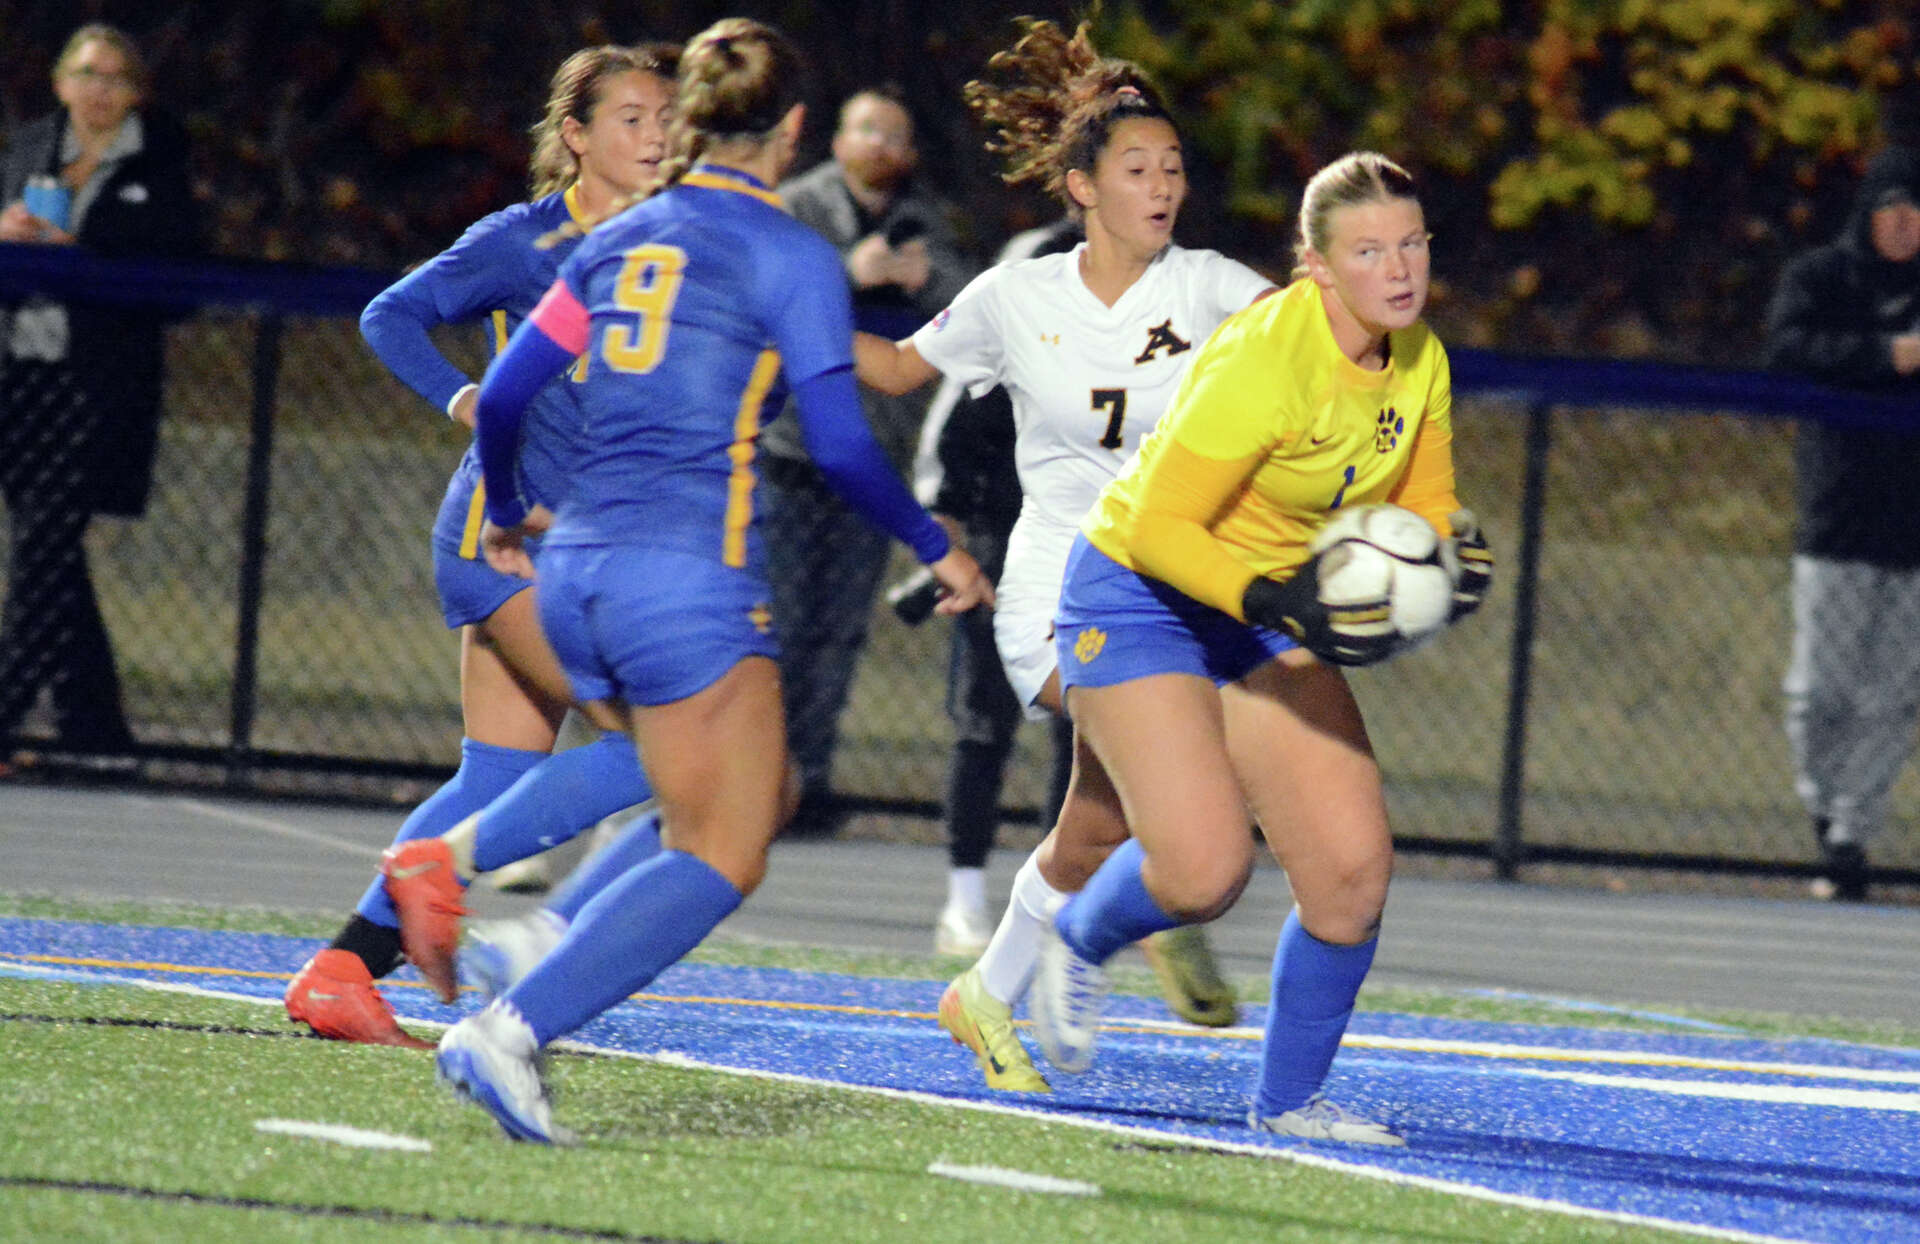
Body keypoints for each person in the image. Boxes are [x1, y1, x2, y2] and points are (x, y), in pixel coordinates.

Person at [431, 18, 991, 1144]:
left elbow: (498, 398)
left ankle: (518, 924)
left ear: (691, 119)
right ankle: (507, 1015)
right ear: (792, 129)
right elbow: (838, 443)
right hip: (683, 575)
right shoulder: (786, 251)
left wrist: (500, 510)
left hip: (575, 567)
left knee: (729, 790)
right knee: (727, 846)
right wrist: (935, 546)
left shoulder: (622, 233)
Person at [1021, 151, 1490, 1146]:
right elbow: (1158, 529)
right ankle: (1077, 937)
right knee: (1199, 869)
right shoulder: (1269, 359)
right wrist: (1274, 595)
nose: (1399, 267)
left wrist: (1449, 553)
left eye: (1411, 242)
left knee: (1353, 871)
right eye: (1368, 250)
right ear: (1317, 267)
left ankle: (1288, 1103)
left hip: (1261, 608)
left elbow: (1424, 503)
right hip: (1141, 592)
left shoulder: (1421, 357)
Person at [854, 20, 1274, 1093]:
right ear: (1082, 187)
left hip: (1167, 591)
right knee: (1184, 798)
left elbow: (1315, 350)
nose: (1164, 185)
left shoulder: (1215, 287)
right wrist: (782, 318)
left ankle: (989, 990)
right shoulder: (1017, 295)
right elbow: (901, 371)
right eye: (1139, 167)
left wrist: (1362, 295)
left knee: (1093, 823)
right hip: (1056, 591)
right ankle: (1113, 930)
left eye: (1175, 168)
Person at [283, 44, 677, 1047]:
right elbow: (392, 314)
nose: (655, 134)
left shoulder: (673, 250)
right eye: (629, 118)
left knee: (495, 782)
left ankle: (339, 970)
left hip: (582, 554)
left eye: (664, 116)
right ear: (576, 137)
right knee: (666, 742)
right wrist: (461, 395)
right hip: (499, 542)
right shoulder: (523, 240)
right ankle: (453, 892)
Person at [758, 84, 974, 837]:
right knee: (776, 625)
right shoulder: (798, 206)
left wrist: (921, 278)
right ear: (836, 138)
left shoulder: (924, 220)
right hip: (789, 455)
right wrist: (852, 272)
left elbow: (968, 303)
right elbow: (771, 292)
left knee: (839, 632)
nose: (879, 144)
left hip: (873, 461)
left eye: (894, 133)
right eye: (865, 129)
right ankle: (756, 774)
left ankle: (808, 779)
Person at [0, 23, 198, 752]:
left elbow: (179, 282)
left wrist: (83, 258)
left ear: (136, 92)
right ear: (60, 81)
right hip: (21, 379)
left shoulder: (160, 168)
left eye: (116, 77)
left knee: (43, 549)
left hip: (96, 390)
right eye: (87, 73)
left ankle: (8, 713)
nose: (99, 90)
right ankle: (96, 729)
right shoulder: (25, 151)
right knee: (49, 551)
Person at [915, 217, 1081, 959]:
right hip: (1003, 527)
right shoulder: (1032, 264)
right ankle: (964, 900)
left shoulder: (1173, 280)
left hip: (1099, 538)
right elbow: (957, 405)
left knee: (1090, 727)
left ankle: (1056, 903)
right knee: (986, 721)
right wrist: (944, 518)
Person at [1766, 144, 1920, 904]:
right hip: (1837, 513)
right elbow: (1786, 349)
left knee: (1892, 693)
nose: (1904, 224)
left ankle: (1855, 834)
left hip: (1913, 528)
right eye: (1892, 208)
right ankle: (1823, 807)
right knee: (1820, 687)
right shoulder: (1822, 278)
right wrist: (1885, 355)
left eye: (1916, 210)